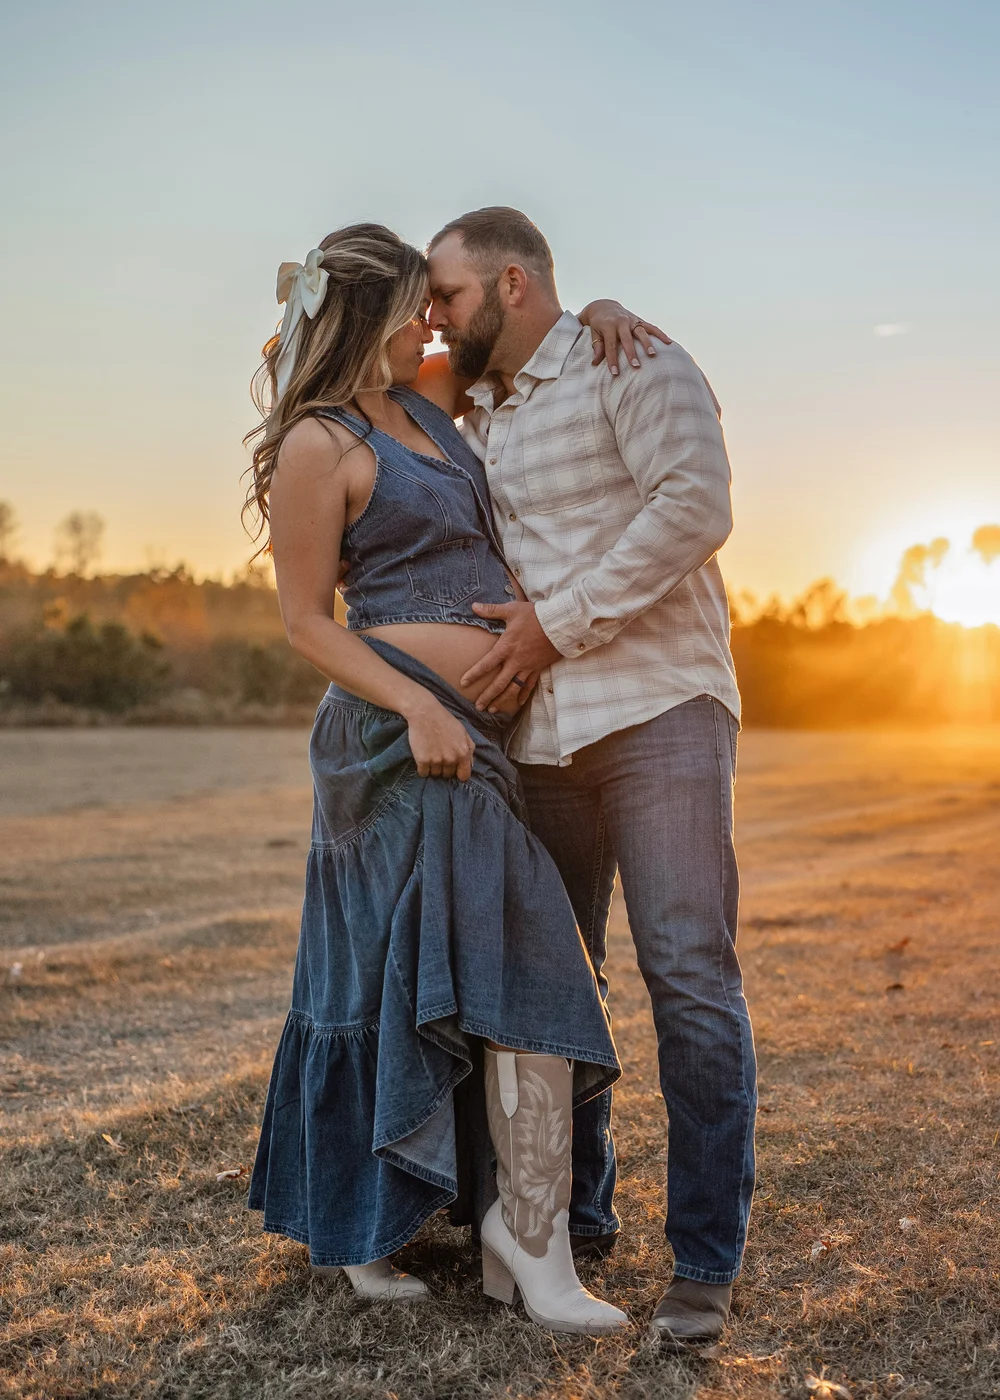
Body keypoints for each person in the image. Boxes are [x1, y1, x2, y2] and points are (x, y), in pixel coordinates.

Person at [243, 222, 659, 1335]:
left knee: (467, 963)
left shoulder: (427, 401)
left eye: (438, 300)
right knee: (432, 964)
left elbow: (526, 347)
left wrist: (600, 310)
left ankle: (511, 1233)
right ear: (368, 312)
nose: (436, 318)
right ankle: (465, 1238)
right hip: (393, 741)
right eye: (418, 303)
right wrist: (423, 699)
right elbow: (303, 622)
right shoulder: (319, 444)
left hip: (475, 733)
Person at [425, 207, 757, 1348]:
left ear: (511, 284)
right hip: (539, 741)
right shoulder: (474, 405)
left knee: (686, 974)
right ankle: (576, 1209)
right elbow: (352, 366)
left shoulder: (639, 360)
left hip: (660, 708)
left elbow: (695, 508)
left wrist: (556, 625)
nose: (435, 315)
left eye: (450, 294)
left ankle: (705, 1258)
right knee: (554, 996)